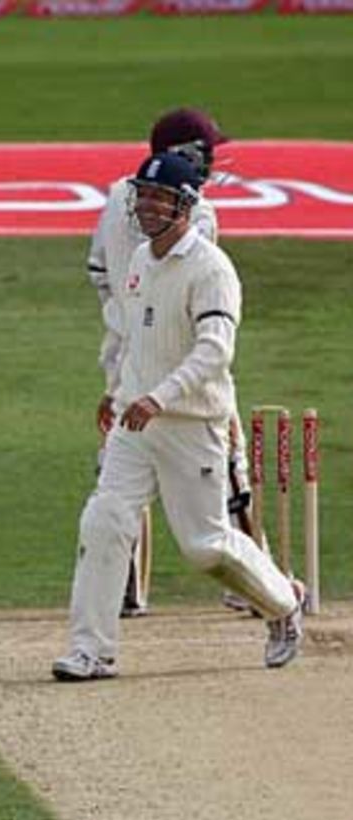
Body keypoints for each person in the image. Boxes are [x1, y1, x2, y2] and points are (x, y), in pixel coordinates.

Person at [53, 152, 304, 682]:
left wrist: (160, 397)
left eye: (159, 197)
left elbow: (215, 351)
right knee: (105, 519)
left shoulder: (212, 269)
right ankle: (90, 650)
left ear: (185, 204)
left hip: (191, 423)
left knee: (204, 546)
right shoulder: (142, 259)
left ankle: (283, 604)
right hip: (135, 421)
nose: (146, 204)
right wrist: (119, 390)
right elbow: (139, 338)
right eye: (142, 194)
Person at [86, 107, 252, 617]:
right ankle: (246, 586)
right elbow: (197, 295)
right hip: (184, 370)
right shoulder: (196, 212)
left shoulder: (118, 196)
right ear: (183, 156)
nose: (212, 163)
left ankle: (127, 593)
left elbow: (98, 271)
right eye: (206, 153)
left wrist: (123, 325)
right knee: (226, 468)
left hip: (124, 358)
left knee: (120, 473)